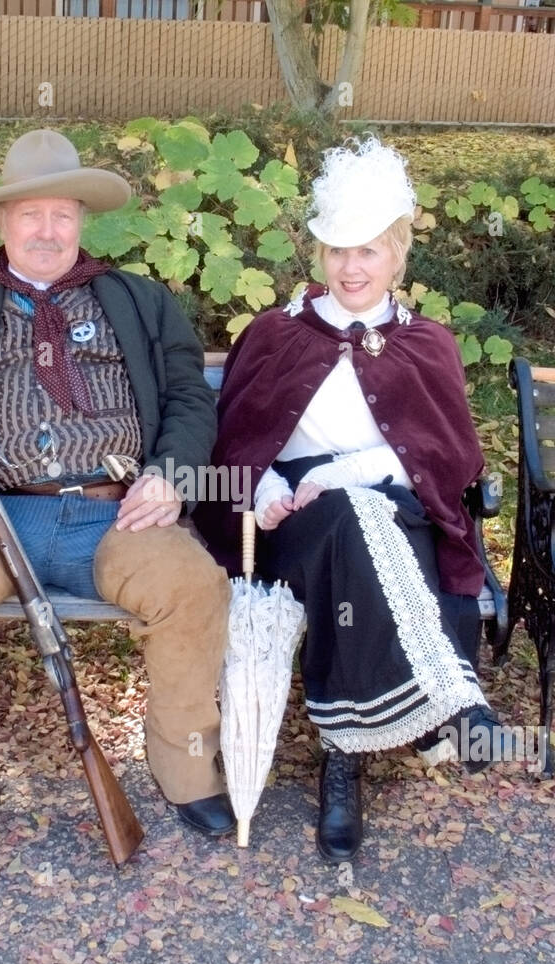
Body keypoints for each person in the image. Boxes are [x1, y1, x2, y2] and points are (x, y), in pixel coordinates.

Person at [0, 130, 235, 904]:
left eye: (62, 215)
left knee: (194, 586)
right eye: (30, 214)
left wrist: (171, 477)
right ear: (3, 222)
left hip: (120, 517)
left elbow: (187, 398)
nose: (47, 230)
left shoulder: (140, 301)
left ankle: (187, 774)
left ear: (81, 221)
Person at [195, 136, 505, 863]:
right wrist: (264, 488)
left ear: (398, 254)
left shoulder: (428, 342)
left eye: (368, 251)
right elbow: (231, 444)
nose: (351, 267)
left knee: (357, 513)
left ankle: (345, 760)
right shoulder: (275, 335)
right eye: (337, 251)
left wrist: (351, 469)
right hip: (293, 531)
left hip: (397, 515)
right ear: (319, 256)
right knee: (341, 523)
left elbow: (452, 455)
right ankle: (452, 700)